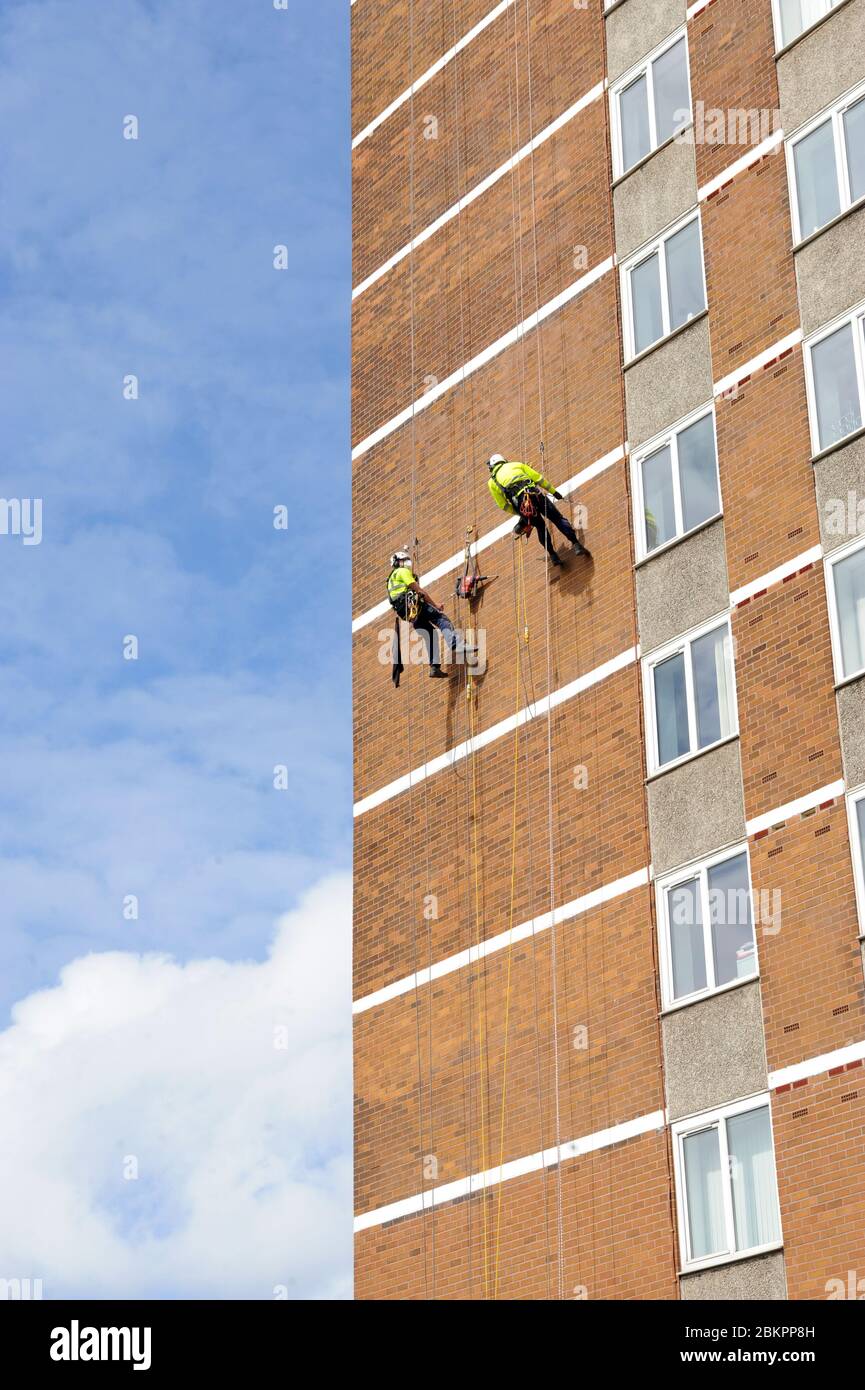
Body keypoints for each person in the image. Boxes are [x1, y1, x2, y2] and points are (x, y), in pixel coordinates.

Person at [486, 453, 590, 566]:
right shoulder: (517, 465)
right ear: (503, 461)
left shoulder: (492, 483)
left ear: (492, 467)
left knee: (541, 528)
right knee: (557, 519)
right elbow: (539, 479)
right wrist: (554, 492)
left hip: (522, 506)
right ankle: (576, 544)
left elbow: (503, 505)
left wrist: (520, 513)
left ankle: (553, 555)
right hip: (535, 495)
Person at [386, 550, 472, 680]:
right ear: (398, 562)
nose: (408, 564)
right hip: (415, 605)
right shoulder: (402, 572)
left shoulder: (390, 580)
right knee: (441, 618)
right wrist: (435, 605)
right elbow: (419, 591)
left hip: (409, 614)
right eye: (405, 561)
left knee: (430, 634)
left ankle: (434, 667)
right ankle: (455, 643)